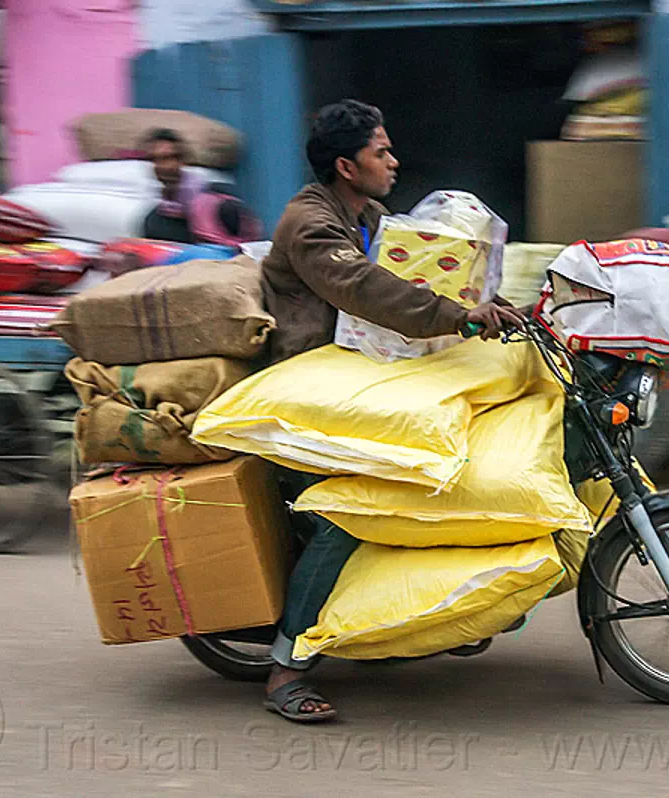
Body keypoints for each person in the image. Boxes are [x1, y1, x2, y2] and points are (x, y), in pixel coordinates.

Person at [258, 99, 525, 723]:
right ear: (348, 166)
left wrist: (495, 302)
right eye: (382, 151)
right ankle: (283, 671)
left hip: (358, 382)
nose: (393, 161)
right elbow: (367, 288)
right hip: (303, 394)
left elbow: (428, 268)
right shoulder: (310, 224)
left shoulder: (369, 214)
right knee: (344, 517)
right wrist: (459, 316)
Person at [141, 128, 207, 244]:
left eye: (168, 158)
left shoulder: (207, 201)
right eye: (155, 159)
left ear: (182, 161)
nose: (162, 166)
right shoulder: (156, 218)